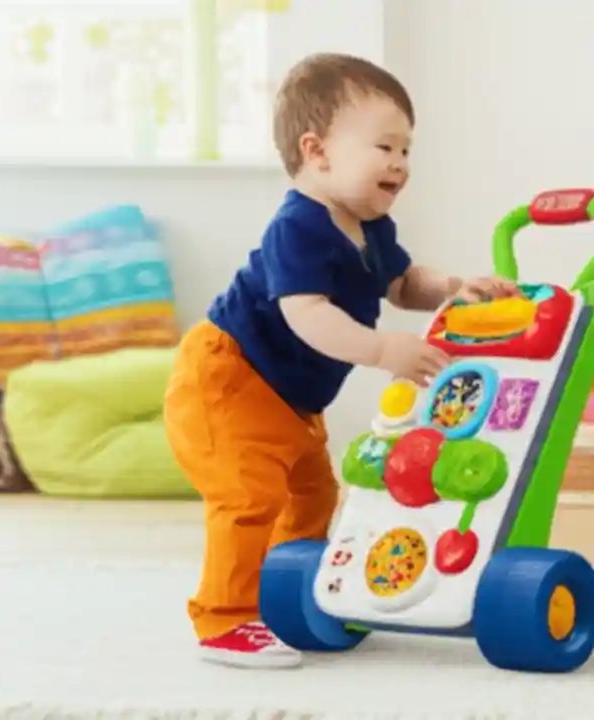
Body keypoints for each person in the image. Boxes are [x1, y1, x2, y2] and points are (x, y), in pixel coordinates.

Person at [163, 52, 516, 668]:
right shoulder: (297, 227)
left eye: (407, 151)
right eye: (385, 147)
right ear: (317, 151)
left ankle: (291, 595)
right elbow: (307, 313)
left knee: (311, 495)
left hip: (292, 397)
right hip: (229, 377)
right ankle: (224, 618)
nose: (401, 165)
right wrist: (384, 350)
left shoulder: (370, 227)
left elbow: (404, 284)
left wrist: (455, 287)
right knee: (249, 497)